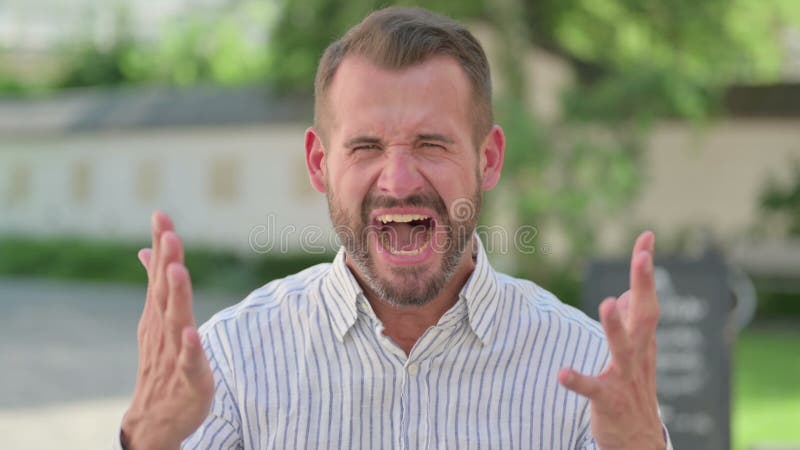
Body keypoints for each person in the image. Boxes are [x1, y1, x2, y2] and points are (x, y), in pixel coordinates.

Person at [115, 6, 672, 450]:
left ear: (489, 158)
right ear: (318, 164)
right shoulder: (230, 364)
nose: (400, 181)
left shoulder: (585, 372)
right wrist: (147, 444)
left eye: (431, 144)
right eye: (366, 146)